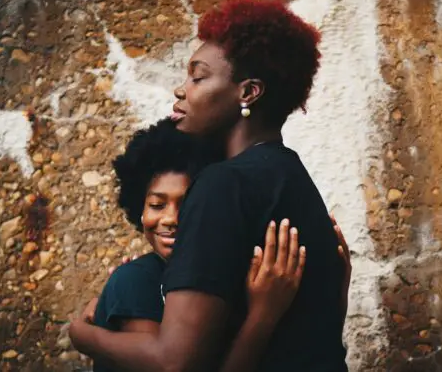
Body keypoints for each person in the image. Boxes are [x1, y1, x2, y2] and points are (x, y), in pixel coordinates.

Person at [69, 0, 350, 372]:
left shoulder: (224, 184)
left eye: (198, 77)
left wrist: (82, 334)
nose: (181, 90)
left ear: (248, 92)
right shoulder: (291, 177)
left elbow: (175, 363)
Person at [87, 118, 309, 372]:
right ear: (139, 209)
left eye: (188, 205)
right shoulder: (136, 280)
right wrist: (262, 316)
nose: (170, 219)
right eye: (157, 205)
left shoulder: (219, 277)